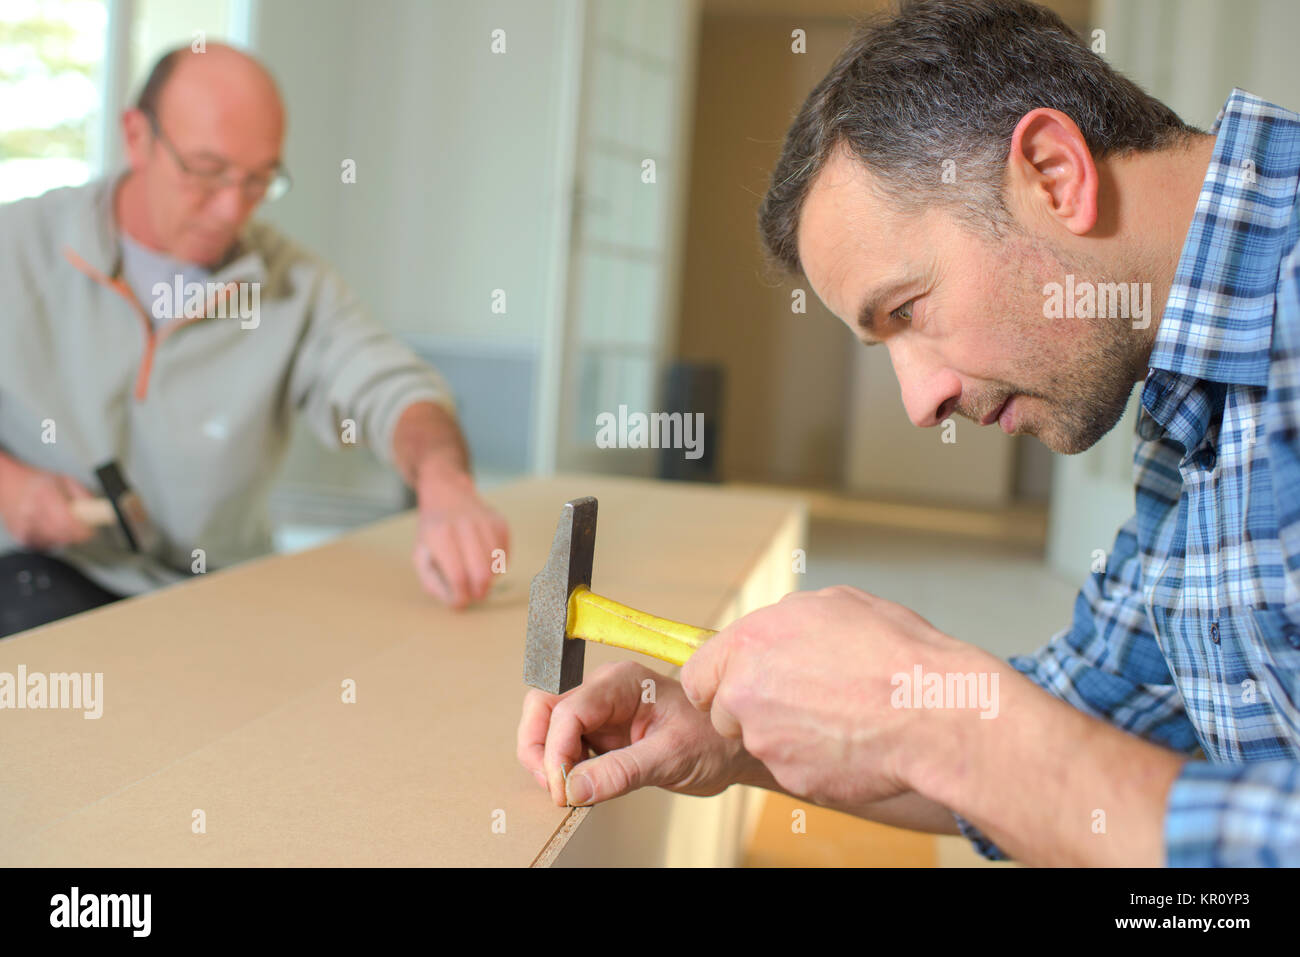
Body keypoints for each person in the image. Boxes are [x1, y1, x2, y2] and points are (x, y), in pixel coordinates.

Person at [519, 0, 1300, 866]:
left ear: (1053, 173)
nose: (919, 403)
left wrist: (939, 723)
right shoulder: (1190, 394)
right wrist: (736, 743)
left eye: (908, 308)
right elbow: (1077, 726)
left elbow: (1010, 749)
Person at [0, 44, 508, 637]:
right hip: (40, 576)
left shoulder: (294, 285)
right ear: (137, 137)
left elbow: (394, 391)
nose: (230, 209)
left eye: (259, 180)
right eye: (206, 172)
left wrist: (445, 480)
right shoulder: (18, 247)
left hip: (216, 590)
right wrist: (9, 487)